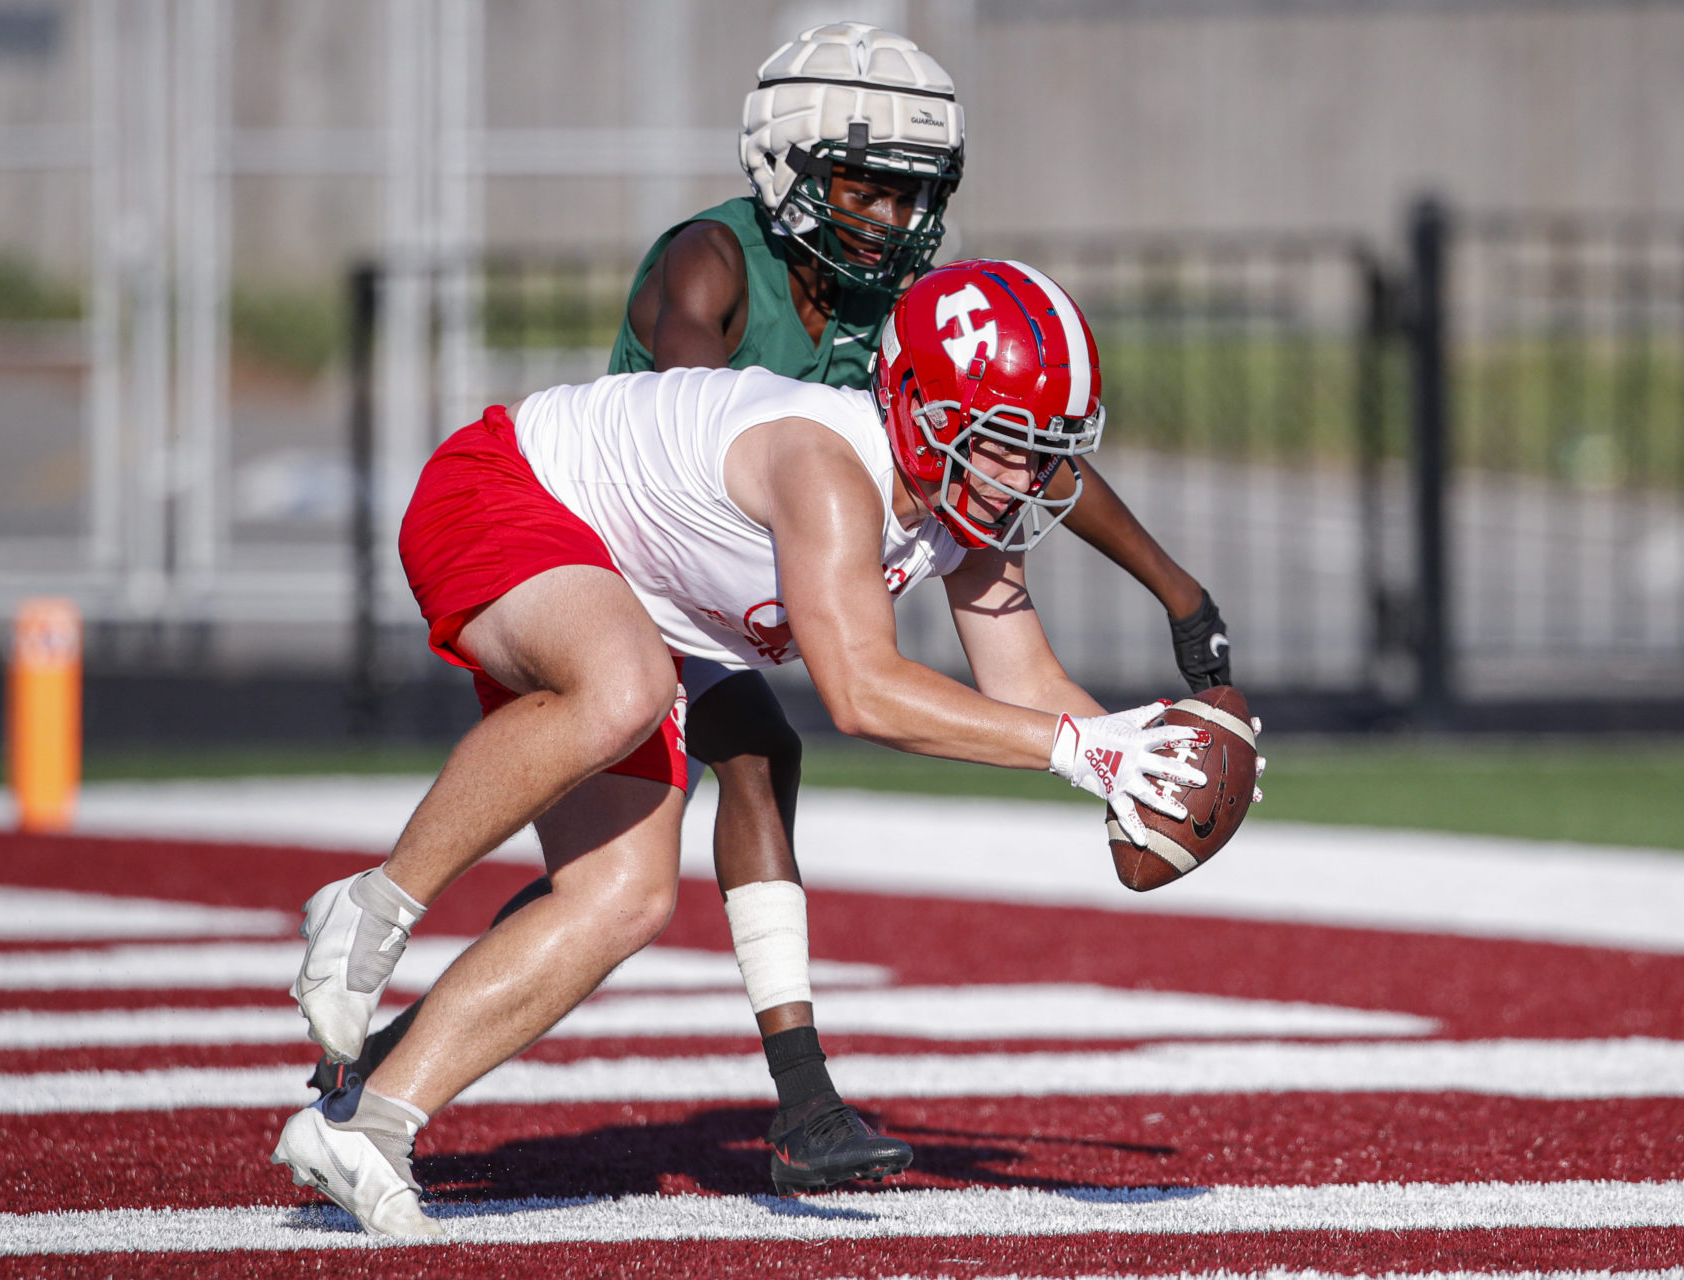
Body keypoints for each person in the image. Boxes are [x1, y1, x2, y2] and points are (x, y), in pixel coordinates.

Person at [307, 21, 1233, 1195]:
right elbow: (865, 691)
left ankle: (371, 1115)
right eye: (1005, 447)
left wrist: (1138, 752)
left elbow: (1025, 682)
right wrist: (1081, 750)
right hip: (515, 492)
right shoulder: (819, 444)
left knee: (628, 896)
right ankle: (370, 907)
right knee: (640, 692)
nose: (1023, 477)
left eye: (1040, 452)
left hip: (655, 590)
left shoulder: (945, 463)